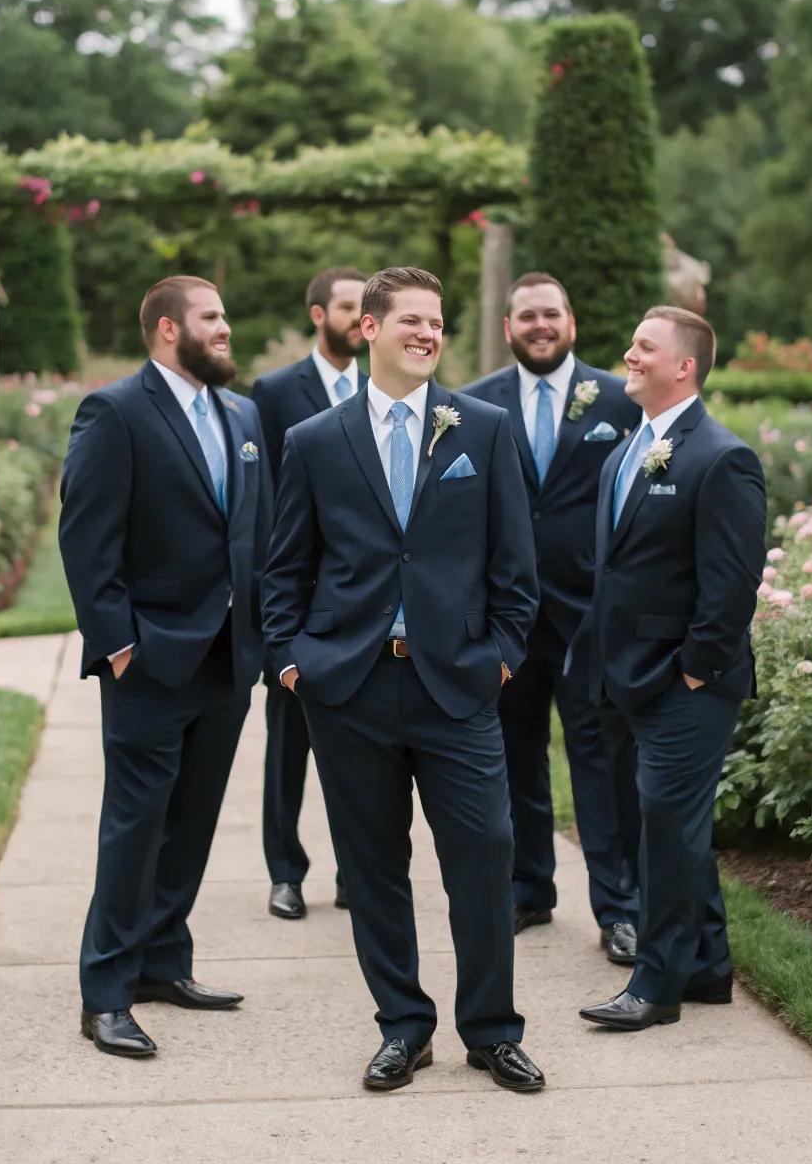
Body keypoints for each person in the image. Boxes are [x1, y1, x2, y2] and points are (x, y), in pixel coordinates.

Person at [262, 266, 545, 1093]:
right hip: (349, 690)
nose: (427, 334)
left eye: (437, 323)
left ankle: (491, 1031)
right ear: (369, 330)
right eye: (411, 320)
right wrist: (292, 662)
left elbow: (515, 564)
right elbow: (286, 569)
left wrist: (500, 654)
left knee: (485, 857)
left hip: (457, 685)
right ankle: (403, 1028)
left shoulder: (483, 429)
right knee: (373, 867)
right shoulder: (314, 439)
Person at [59, 275, 273, 1059]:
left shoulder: (243, 414)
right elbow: (87, 538)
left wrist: (262, 636)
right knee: (135, 826)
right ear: (166, 328)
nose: (225, 327)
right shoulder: (114, 412)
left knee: (193, 822)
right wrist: (119, 646)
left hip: (228, 658)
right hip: (149, 659)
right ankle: (105, 994)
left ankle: (161, 963)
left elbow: (258, 533)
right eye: (210, 316)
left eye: (224, 314)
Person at [569, 306, 766, 1031]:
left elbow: (732, 586)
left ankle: (656, 986)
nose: (629, 355)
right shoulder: (628, 451)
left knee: (666, 828)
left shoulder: (722, 458)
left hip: (688, 684)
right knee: (667, 825)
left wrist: (694, 671)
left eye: (644, 347)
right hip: (626, 674)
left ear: (684, 366)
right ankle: (708, 966)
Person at [463, 272, 642, 965]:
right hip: (505, 617)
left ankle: (618, 907)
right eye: (527, 316)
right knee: (514, 755)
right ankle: (528, 888)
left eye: (551, 314)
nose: (539, 325)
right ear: (508, 328)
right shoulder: (473, 405)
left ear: (571, 323)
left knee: (599, 760)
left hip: (591, 615)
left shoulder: (621, 400)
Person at [251, 266, 366, 920]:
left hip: (367, 602)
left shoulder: (387, 390)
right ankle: (285, 872)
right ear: (318, 314)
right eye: (347, 306)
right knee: (287, 746)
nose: (358, 317)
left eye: (364, 307)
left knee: (365, 752)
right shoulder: (273, 393)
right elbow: (267, 503)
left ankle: (356, 870)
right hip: (300, 602)